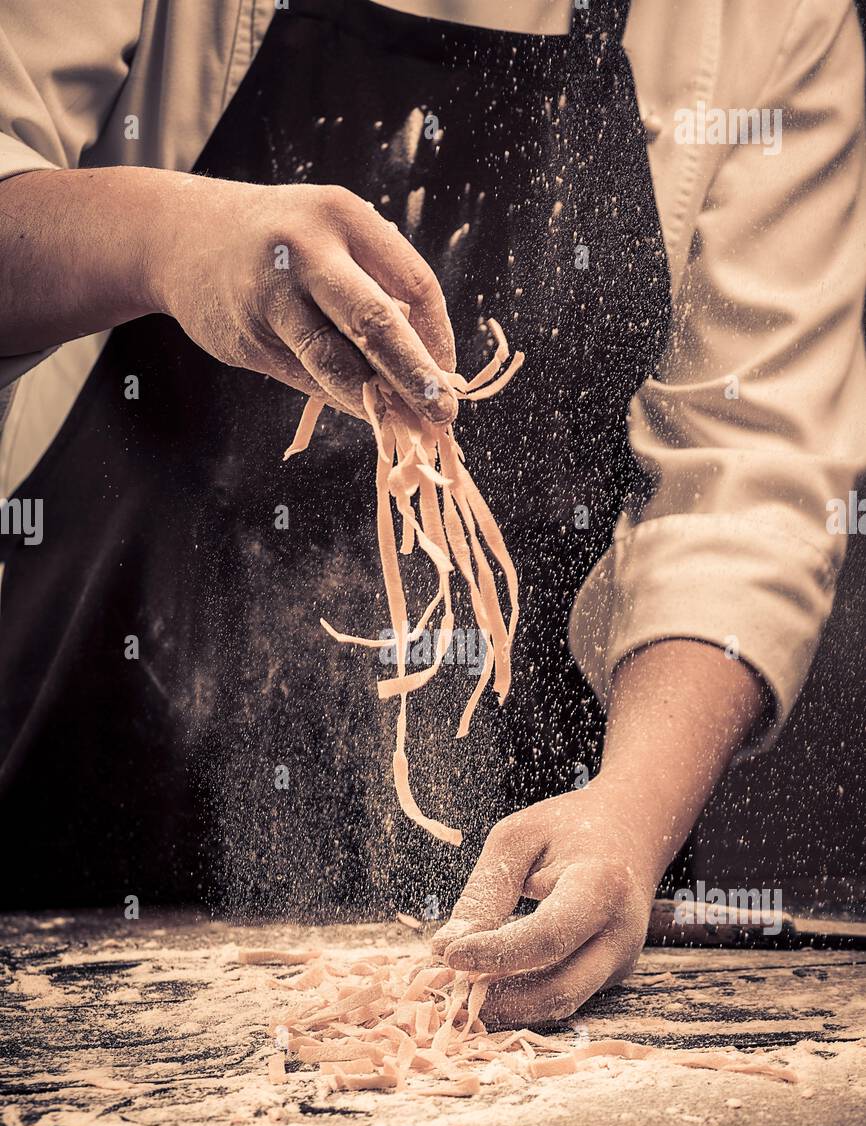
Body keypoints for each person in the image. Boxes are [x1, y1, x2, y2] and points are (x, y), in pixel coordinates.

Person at [1, 0, 864, 1025]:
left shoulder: (778, 17)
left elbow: (746, 473)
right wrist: (166, 236)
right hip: (70, 803)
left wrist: (632, 811)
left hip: (532, 863)